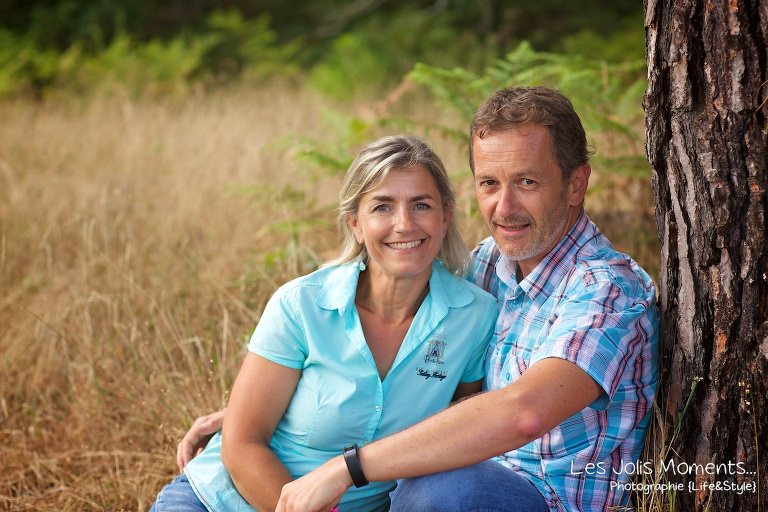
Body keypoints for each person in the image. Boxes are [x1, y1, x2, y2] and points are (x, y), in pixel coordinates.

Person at [178, 86, 660, 512]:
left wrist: (349, 467)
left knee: (432, 493)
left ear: (576, 183)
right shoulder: (490, 265)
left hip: (539, 496)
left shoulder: (608, 290)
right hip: (459, 470)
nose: (504, 207)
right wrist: (265, 411)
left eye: (527, 182)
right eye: (490, 184)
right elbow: (433, 386)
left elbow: (522, 412)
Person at [150, 134, 498, 512]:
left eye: (421, 205)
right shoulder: (301, 304)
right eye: (382, 207)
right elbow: (241, 444)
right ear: (355, 225)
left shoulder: (474, 317)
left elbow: (459, 429)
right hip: (226, 499)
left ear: (445, 217)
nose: (404, 224)